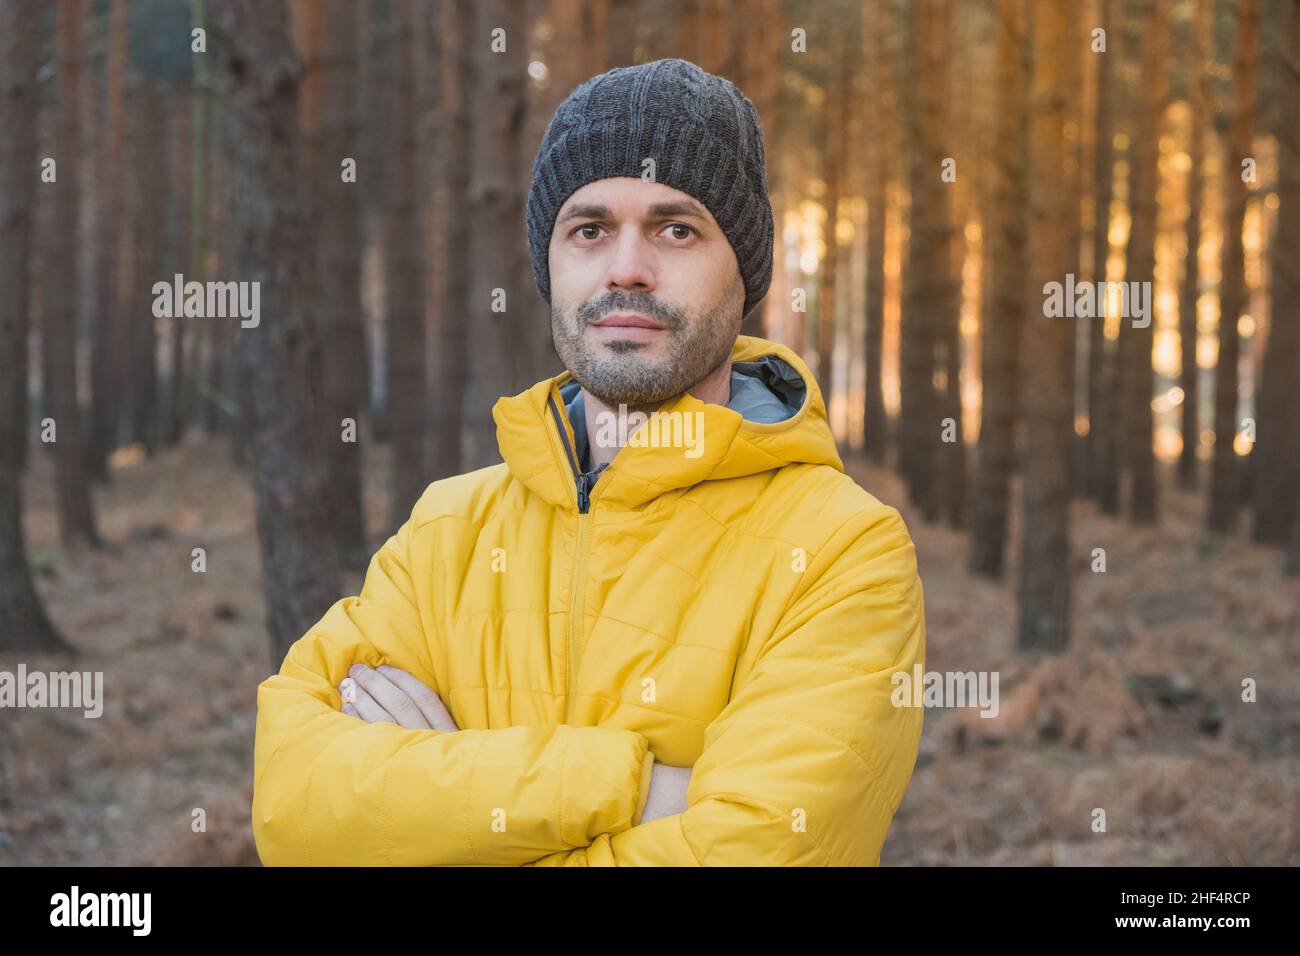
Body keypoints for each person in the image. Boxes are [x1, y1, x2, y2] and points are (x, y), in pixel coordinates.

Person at [251, 57, 926, 866]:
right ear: (551, 265)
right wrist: (635, 787)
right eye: (590, 228)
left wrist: (446, 807)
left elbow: (760, 853)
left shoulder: (844, 553)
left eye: (677, 228)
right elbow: (295, 807)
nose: (627, 268)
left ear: (743, 270)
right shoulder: (447, 532)